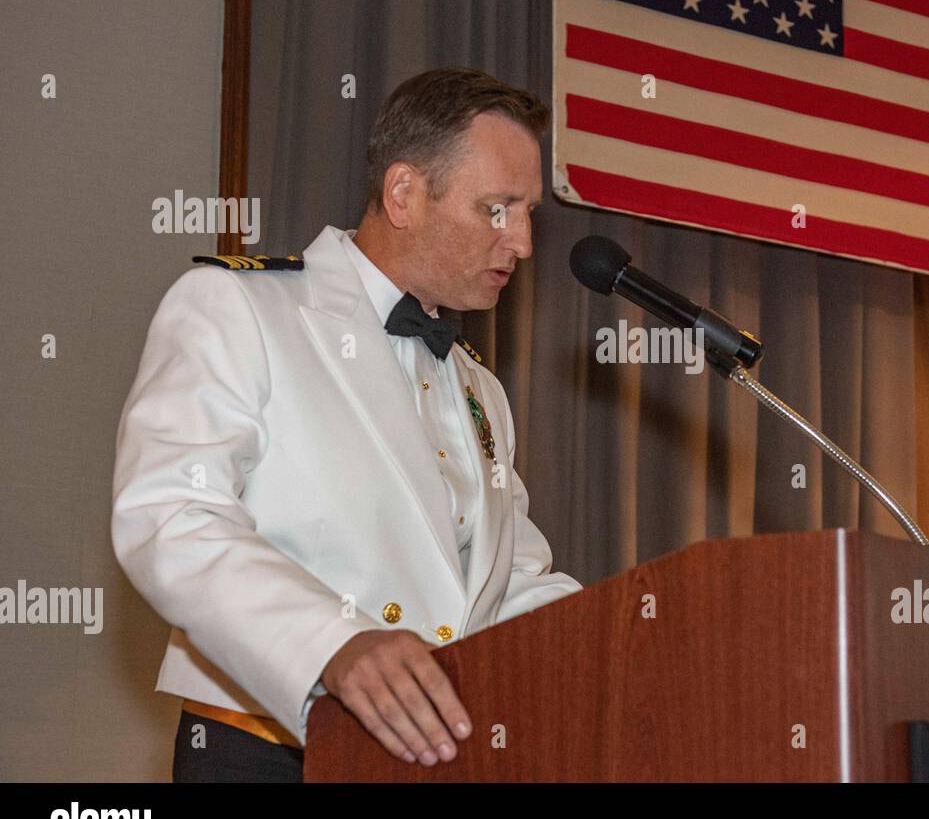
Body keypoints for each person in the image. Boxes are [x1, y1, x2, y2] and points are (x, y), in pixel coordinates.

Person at [111, 68, 581, 782]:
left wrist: (635, 636)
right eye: (497, 208)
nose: (520, 242)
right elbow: (169, 514)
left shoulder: (476, 384)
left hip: (431, 761)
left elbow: (512, 581)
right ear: (404, 195)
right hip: (272, 752)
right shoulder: (240, 308)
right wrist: (332, 646)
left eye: (528, 213)